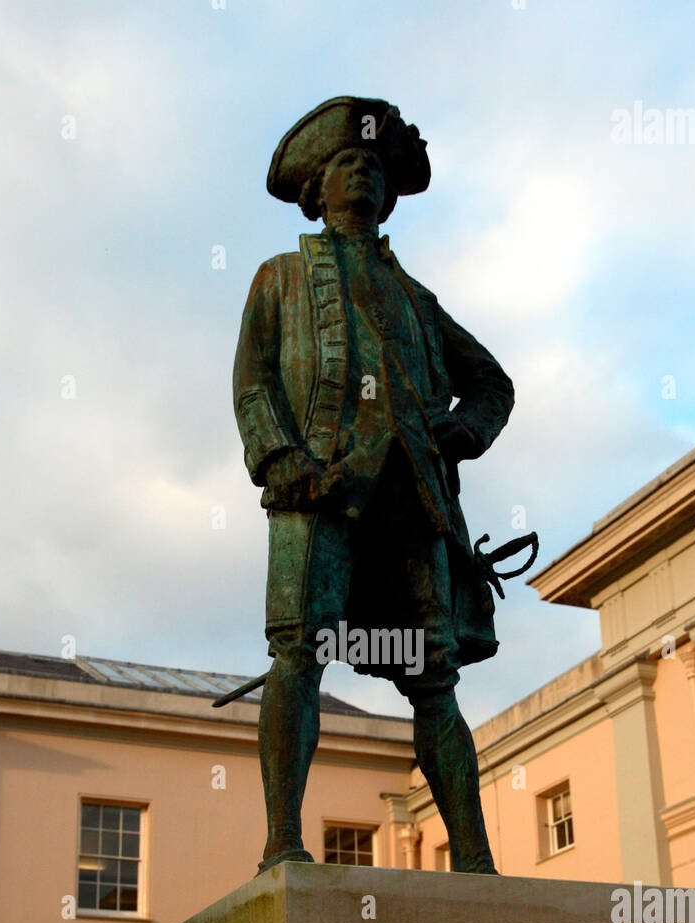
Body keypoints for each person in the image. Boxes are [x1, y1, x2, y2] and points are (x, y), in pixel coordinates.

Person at [234, 97, 514, 874]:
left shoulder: (419, 300)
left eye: (372, 166)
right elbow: (254, 382)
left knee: (435, 680)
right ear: (316, 191)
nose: (359, 172)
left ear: (389, 195)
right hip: (320, 486)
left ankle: (473, 855)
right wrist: (277, 459)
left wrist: (466, 430)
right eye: (344, 163)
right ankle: (284, 841)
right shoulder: (281, 278)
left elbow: (492, 382)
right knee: (300, 652)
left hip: (412, 494)